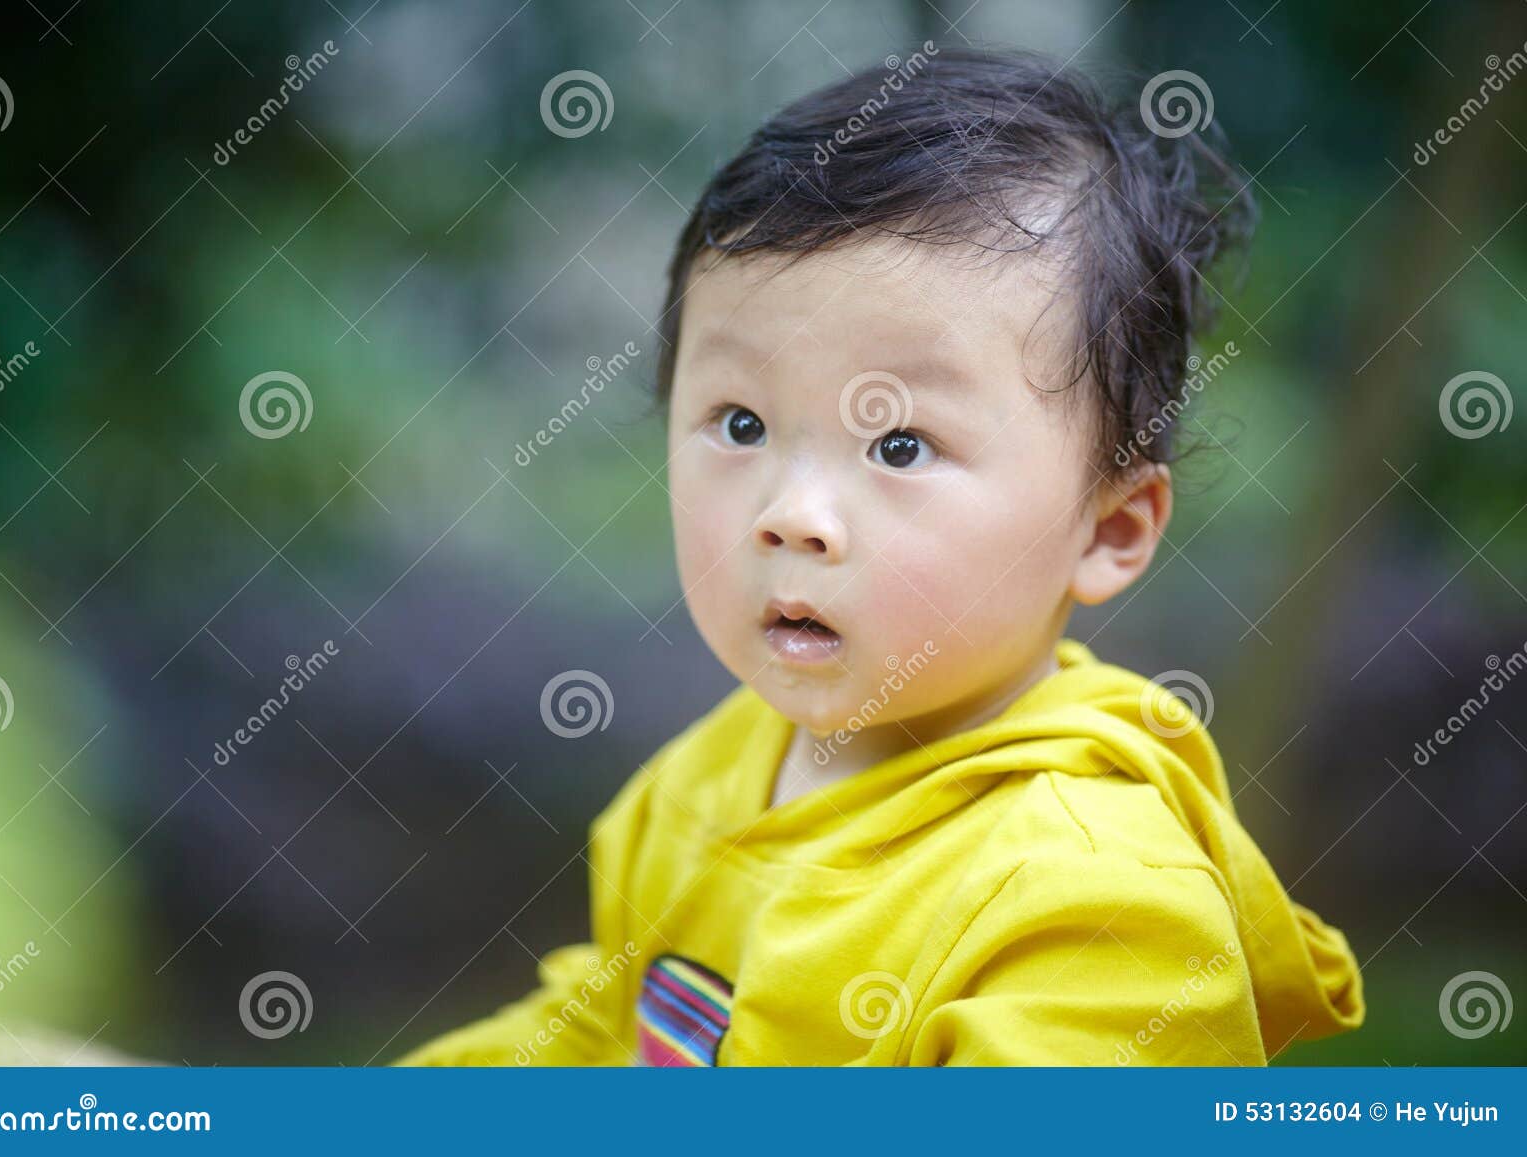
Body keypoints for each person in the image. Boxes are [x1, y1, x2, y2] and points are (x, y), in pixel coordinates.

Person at [400, 46, 1364, 1066]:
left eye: (899, 445)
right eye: (738, 422)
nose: (792, 514)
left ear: (1108, 528)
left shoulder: (1097, 905)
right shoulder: (708, 775)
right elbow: (594, 1033)